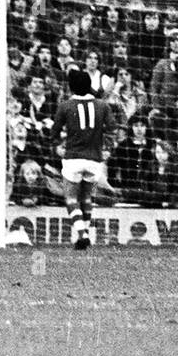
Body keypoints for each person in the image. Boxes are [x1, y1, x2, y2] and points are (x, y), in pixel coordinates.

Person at [50, 68, 114, 251]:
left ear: (71, 87)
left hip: (73, 159)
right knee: (86, 197)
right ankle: (84, 237)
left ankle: (82, 234)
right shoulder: (102, 105)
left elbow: (54, 132)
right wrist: (108, 148)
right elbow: (113, 128)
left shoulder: (65, 106)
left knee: (70, 198)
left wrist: (57, 146)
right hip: (94, 160)